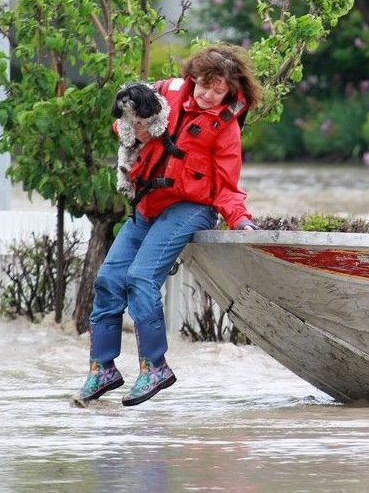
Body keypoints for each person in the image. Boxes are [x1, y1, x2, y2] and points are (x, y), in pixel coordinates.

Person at [74, 45, 263, 406]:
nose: (208, 95)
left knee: (140, 278)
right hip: (148, 205)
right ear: (193, 78)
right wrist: (133, 129)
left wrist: (240, 220)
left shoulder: (225, 128)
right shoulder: (167, 92)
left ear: (231, 90)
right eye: (204, 85)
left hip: (191, 208)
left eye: (218, 90)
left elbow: (227, 187)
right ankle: (102, 369)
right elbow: (123, 118)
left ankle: (155, 366)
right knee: (108, 279)